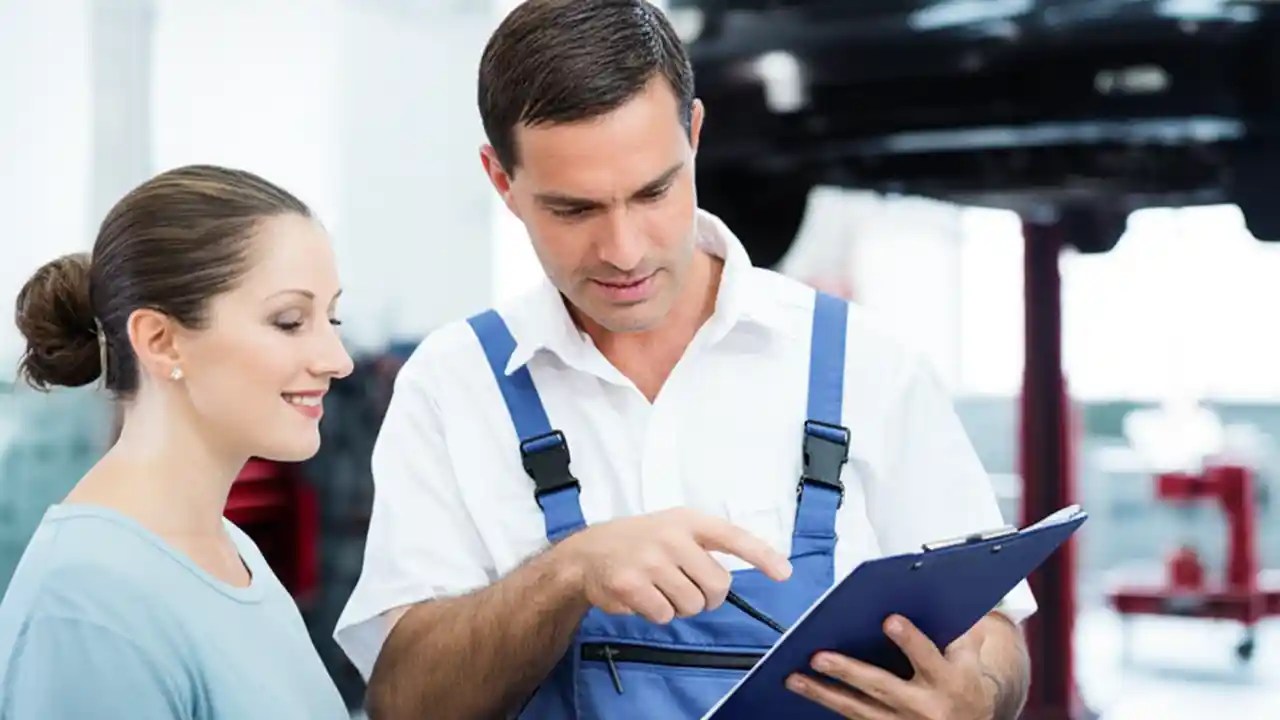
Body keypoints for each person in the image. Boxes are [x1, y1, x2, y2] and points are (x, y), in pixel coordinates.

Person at [335, 1, 1036, 718]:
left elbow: (995, 635)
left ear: (695, 135)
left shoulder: (866, 364)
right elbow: (404, 703)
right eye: (574, 210)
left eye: (653, 192)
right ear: (500, 180)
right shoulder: (453, 387)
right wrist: (570, 574)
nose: (625, 251)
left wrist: (975, 698)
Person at [0, 165, 353, 719]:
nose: (338, 359)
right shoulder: (89, 603)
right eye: (289, 321)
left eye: (332, 318)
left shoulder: (232, 553)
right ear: (160, 341)